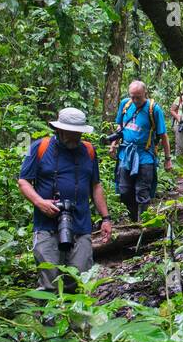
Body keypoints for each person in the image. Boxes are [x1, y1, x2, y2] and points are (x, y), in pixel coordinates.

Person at [17, 107, 113, 292]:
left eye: (78, 133)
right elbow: (23, 182)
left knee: (80, 280)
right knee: (49, 282)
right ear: (58, 129)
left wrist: (106, 218)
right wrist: (40, 202)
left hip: (80, 224)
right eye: (70, 132)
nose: (75, 137)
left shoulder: (89, 151)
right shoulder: (39, 147)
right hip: (47, 225)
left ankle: (77, 321)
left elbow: (96, 186)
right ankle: (50, 320)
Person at [110, 80, 172, 221]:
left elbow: (163, 135)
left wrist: (168, 160)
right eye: (132, 96)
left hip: (145, 155)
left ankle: (142, 223)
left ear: (145, 93)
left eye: (138, 97)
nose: (135, 100)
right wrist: (114, 144)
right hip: (125, 154)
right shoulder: (125, 104)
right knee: (124, 190)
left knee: (142, 191)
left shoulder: (154, 109)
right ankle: (133, 220)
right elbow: (120, 127)